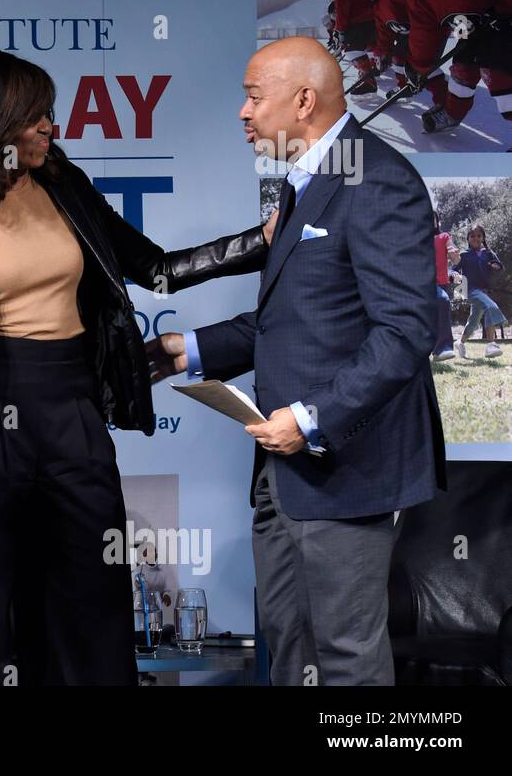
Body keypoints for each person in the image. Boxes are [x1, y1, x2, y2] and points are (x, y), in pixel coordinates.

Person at [0, 48, 271, 686]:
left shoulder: (65, 186)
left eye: (50, 114)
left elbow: (157, 268)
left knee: (91, 592)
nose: (51, 127)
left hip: (72, 405)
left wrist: (259, 242)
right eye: (36, 115)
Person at [147, 36, 446, 686]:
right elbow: (295, 321)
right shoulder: (305, 183)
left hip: (343, 469)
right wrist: (189, 351)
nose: (242, 113)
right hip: (280, 475)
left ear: (304, 100)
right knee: (288, 646)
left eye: (254, 96)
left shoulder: (379, 180)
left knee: (346, 656)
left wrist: (311, 419)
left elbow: (402, 332)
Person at [395, 0, 512, 134]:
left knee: (500, 77)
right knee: (461, 72)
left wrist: (503, 11)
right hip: (471, 37)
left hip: (504, 31)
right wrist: (417, 67)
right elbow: (425, 36)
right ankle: (452, 112)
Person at [347, 0, 411, 97]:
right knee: (398, 58)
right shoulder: (379, 0)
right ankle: (404, 87)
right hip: (407, 34)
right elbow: (384, 31)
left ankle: (442, 101)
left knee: (417, 65)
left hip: (423, 34)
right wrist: (383, 53)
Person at [456, 225, 506, 358]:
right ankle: (491, 345)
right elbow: (453, 269)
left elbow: (500, 266)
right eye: (472, 236)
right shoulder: (463, 255)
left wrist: (496, 266)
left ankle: (460, 343)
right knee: (490, 307)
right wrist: (454, 276)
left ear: (483, 238)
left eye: (479, 236)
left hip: (484, 291)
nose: (476, 238)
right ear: (468, 239)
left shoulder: (488, 253)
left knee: (474, 320)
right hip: (469, 290)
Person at [432, 212, 459, 361]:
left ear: (437, 221)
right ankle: (441, 348)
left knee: (442, 302)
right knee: (442, 301)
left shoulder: (444, 237)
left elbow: (454, 256)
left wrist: (454, 255)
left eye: (432, 217)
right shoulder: (417, 240)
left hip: (441, 284)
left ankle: (440, 350)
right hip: (423, 284)